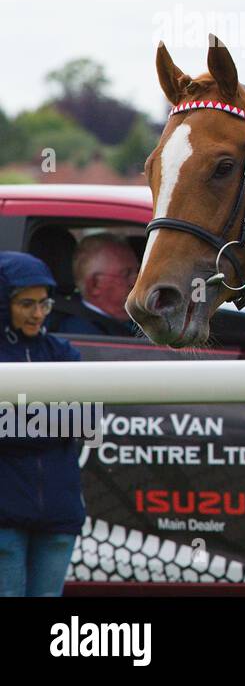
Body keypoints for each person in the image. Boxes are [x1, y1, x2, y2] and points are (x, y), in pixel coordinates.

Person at [0, 251, 86, 596]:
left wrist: (18, 421)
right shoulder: (64, 356)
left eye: (44, 303)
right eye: (26, 304)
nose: (38, 313)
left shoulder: (64, 352)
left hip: (59, 514)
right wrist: (56, 424)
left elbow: (88, 420)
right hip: (5, 517)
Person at [53, 234, 140, 337]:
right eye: (126, 274)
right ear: (95, 285)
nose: (136, 282)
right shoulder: (82, 333)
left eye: (138, 272)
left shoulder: (129, 321)